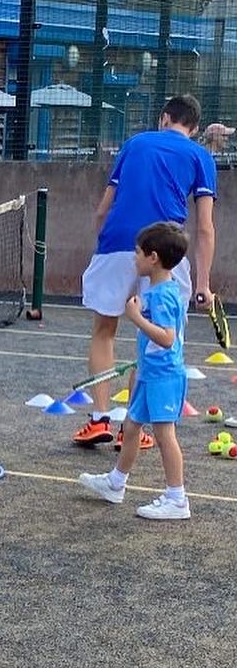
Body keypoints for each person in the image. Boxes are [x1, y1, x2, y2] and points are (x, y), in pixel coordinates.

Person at [74, 95, 218, 449]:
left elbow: (101, 211)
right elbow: (204, 228)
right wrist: (203, 284)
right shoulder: (201, 156)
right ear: (195, 128)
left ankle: (99, 419)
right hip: (166, 251)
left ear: (164, 118)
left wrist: (108, 245)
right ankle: (132, 429)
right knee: (156, 339)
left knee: (104, 330)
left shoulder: (134, 143)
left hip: (118, 244)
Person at [78, 222, 191, 520]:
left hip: (164, 376)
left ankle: (177, 498)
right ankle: (116, 484)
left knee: (166, 435)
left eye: (138, 253)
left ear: (153, 258)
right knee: (131, 426)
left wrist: (135, 317)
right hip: (149, 373)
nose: (134, 259)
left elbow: (167, 338)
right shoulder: (157, 291)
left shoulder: (163, 296)